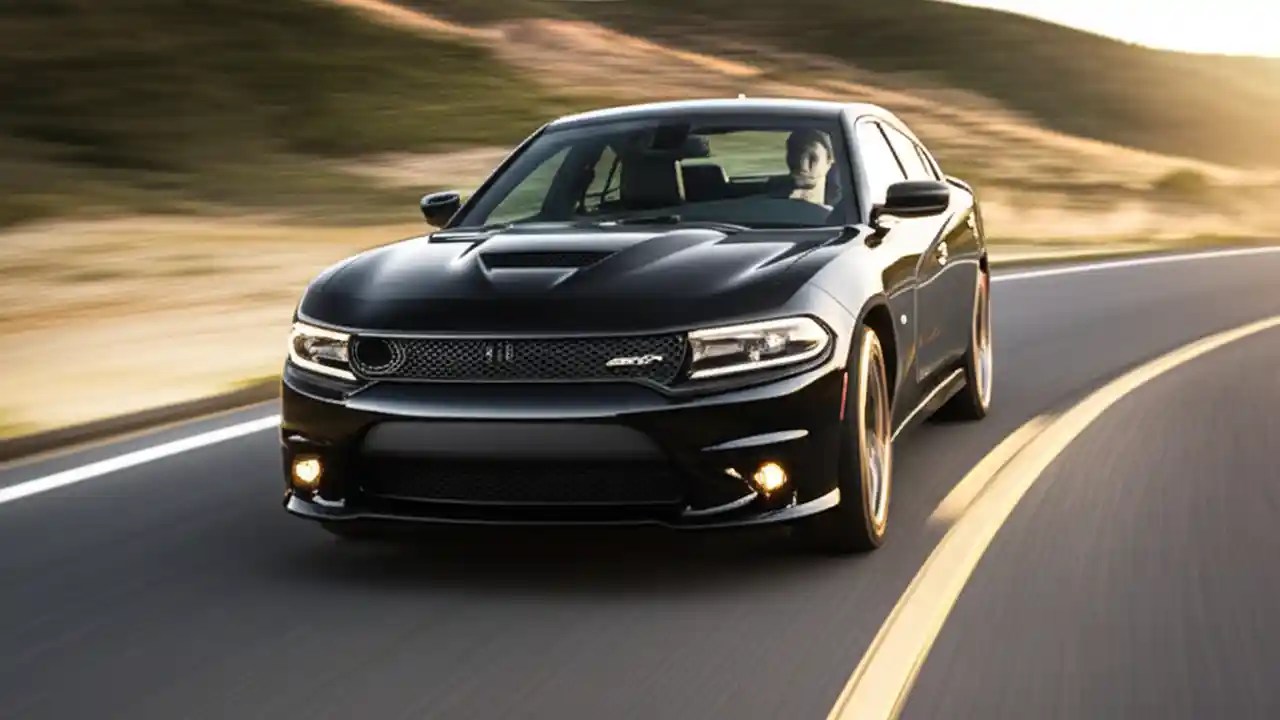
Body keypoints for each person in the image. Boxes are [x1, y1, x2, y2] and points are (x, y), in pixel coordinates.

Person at [784, 128, 835, 208]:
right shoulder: (770, 202)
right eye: (795, 156)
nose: (803, 167)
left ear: (829, 161)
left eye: (812, 158)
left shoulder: (847, 207)